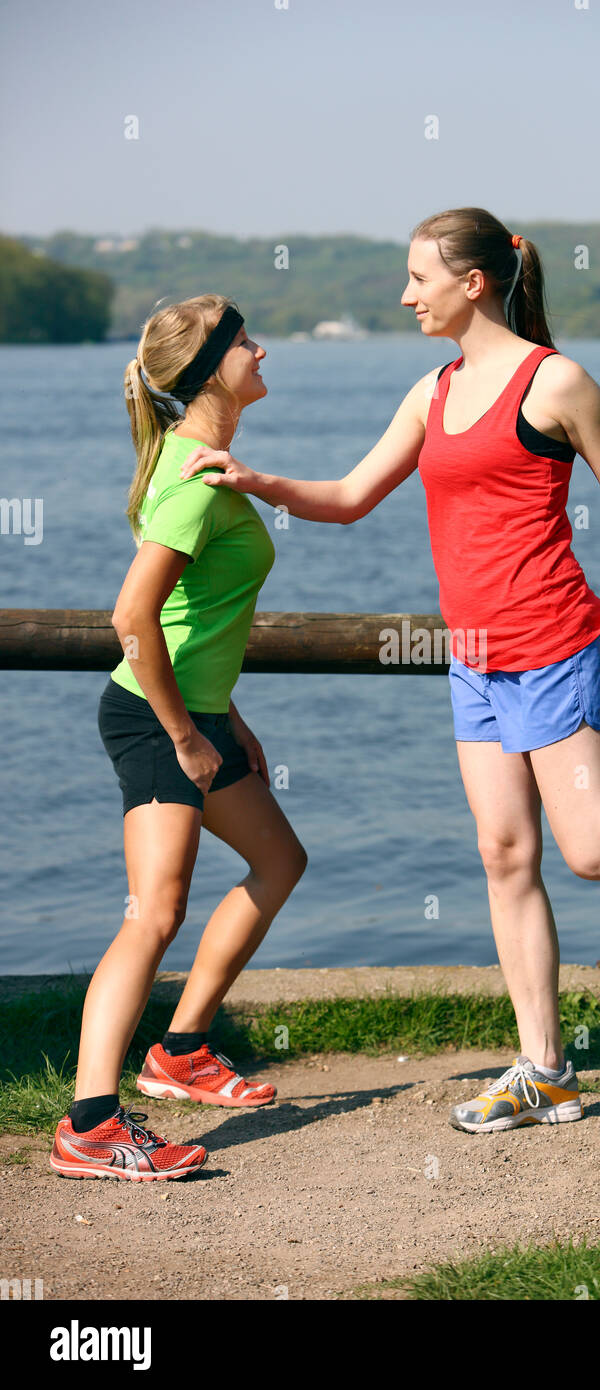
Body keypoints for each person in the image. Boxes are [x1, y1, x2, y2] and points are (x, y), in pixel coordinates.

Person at [178, 209, 600, 1136]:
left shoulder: (556, 381)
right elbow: (353, 496)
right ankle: (546, 1071)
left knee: (598, 854)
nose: (406, 296)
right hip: (475, 661)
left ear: (474, 282)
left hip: (553, 646)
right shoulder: (431, 392)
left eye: (419, 279)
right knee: (504, 857)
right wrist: (260, 481)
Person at [50, 295, 307, 1182]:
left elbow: (200, 620)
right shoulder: (193, 481)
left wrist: (225, 716)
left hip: (196, 714)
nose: (262, 348)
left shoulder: (200, 462)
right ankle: (90, 1123)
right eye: (246, 341)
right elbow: (134, 617)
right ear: (207, 371)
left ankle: (182, 1051)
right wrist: (185, 736)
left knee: (278, 861)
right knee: (153, 913)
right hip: (157, 720)